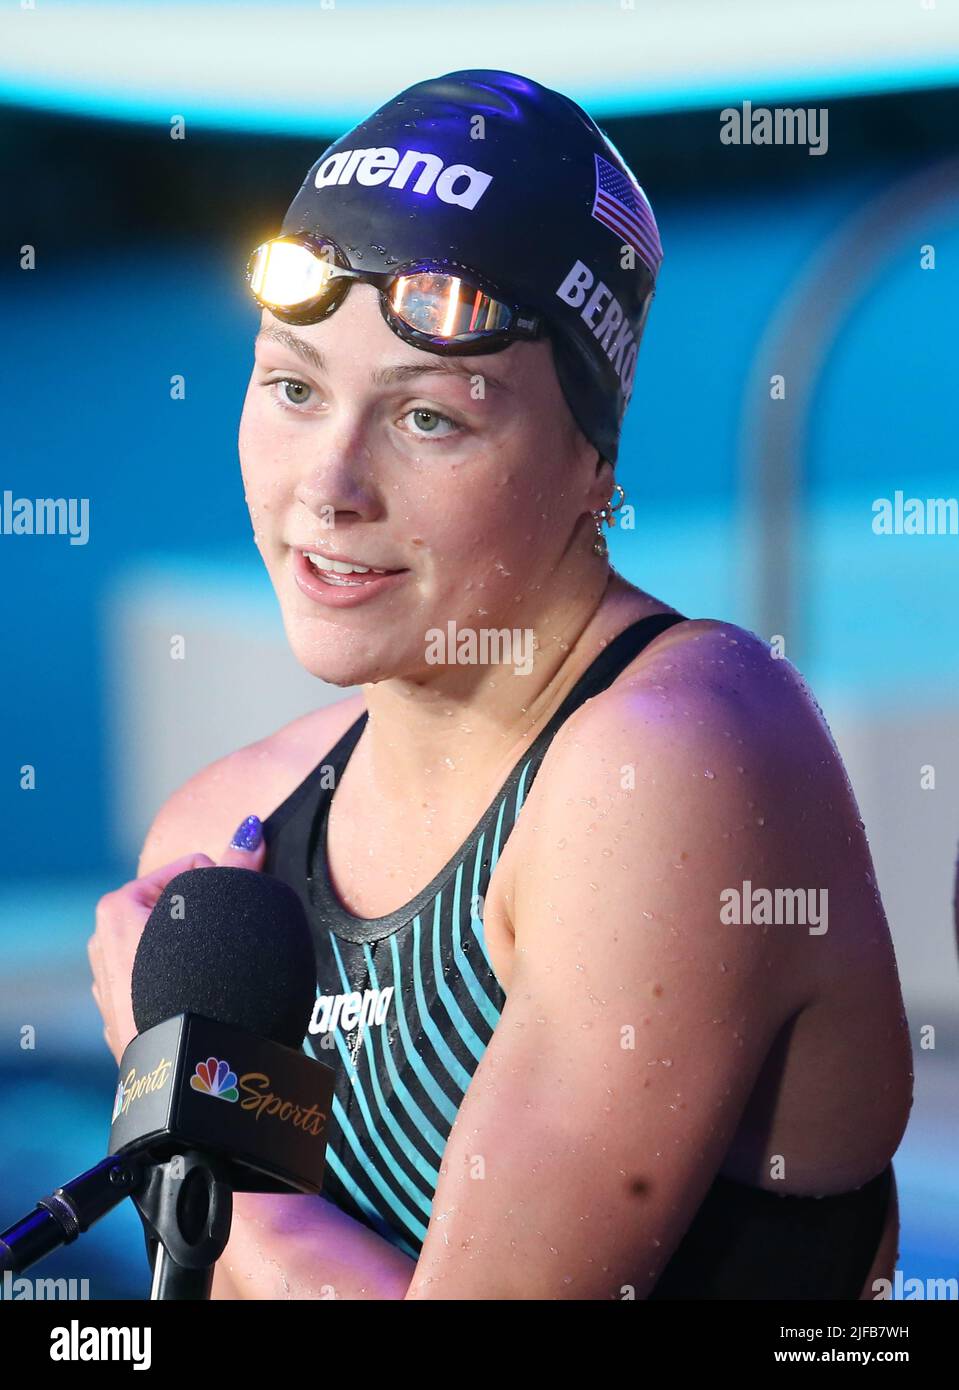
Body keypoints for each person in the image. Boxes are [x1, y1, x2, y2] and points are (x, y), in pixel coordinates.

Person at [87, 69, 913, 1300]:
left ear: (592, 459)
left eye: (429, 419)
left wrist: (178, 1103)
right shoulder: (225, 835)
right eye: (294, 387)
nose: (328, 487)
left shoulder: (676, 754)